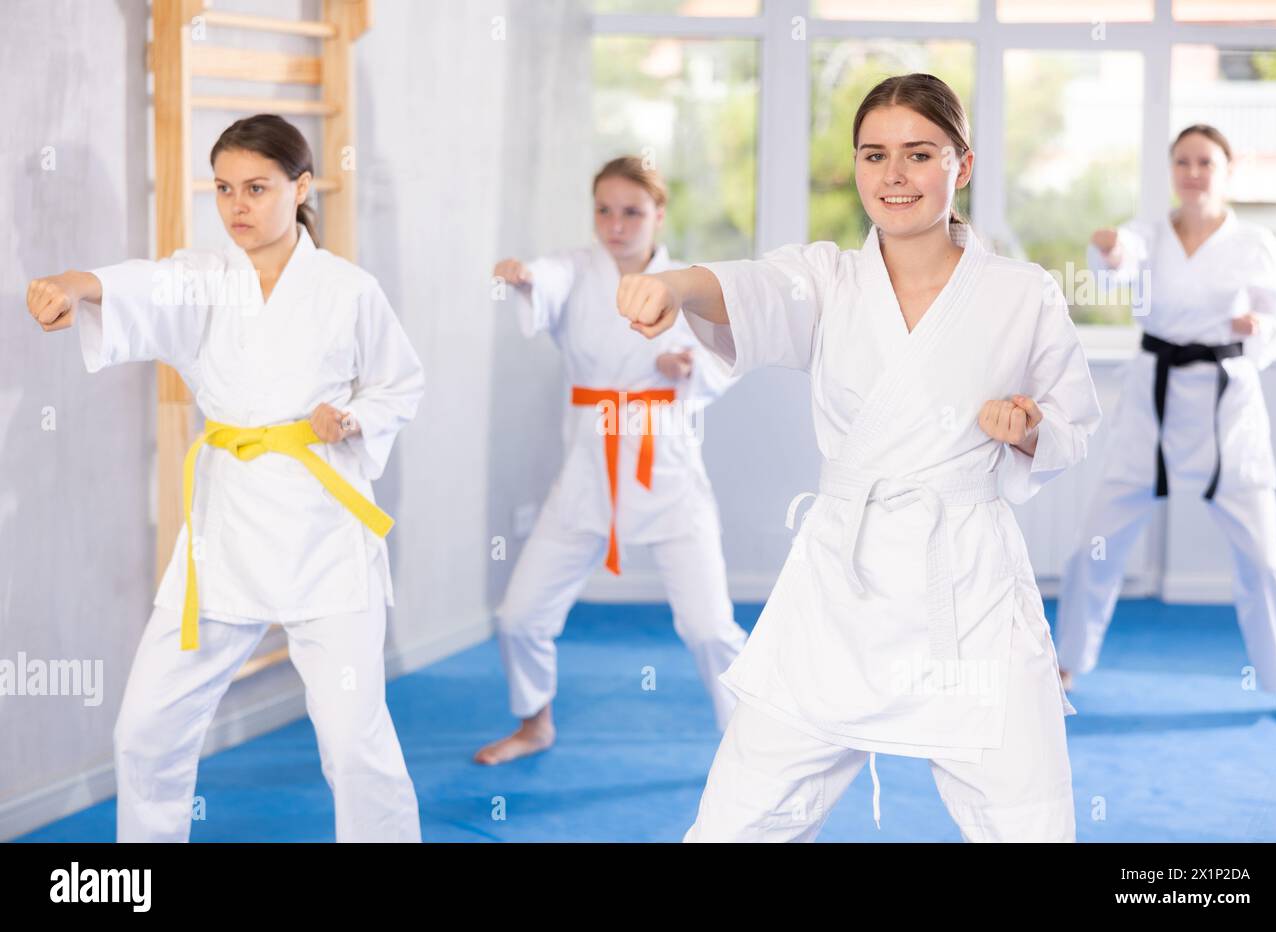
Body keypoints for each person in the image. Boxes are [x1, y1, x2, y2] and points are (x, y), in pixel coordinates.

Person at [617, 74, 1102, 842]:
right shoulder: (828, 279)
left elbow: (1073, 424)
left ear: (962, 166)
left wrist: (1029, 426)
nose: (895, 175)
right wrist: (672, 286)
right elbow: (748, 287)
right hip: (843, 581)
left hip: (967, 587)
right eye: (875, 155)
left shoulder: (1022, 293)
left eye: (919, 153)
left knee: (1029, 820)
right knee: (738, 816)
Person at [24, 114, 425, 841]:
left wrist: (353, 420)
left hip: (324, 538)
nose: (238, 205)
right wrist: (74, 285)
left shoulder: (348, 289)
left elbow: (402, 386)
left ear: (301, 186)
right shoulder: (206, 278)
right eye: (224, 188)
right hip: (225, 538)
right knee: (145, 730)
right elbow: (144, 286)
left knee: (354, 745)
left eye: (258, 188)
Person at [474, 157, 747, 766]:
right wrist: (523, 279)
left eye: (632, 212)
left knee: (708, 628)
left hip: (667, 467)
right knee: (519, 615)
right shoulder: (574, 269)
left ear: (658, 214)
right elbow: (544, 279)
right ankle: (534, 722)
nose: (616, 225)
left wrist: (690, 369)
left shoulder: (684, 279)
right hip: (587, 471)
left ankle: (750, 746)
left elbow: (726, 357)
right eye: (604, 210)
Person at [1054, 124, 1276, 728]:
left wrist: (1256, 331)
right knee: (1096, 543)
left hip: (1225, 405)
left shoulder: (1255, 244)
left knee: (1263, 558)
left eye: (1205, 162)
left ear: (1227, 169)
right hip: (1153, 401)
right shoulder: (1148, 234)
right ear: (1172, 171)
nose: (1193, 172)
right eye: (1183, 162)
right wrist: (1107, 253)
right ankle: (1063, 666)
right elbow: (1117, 263)